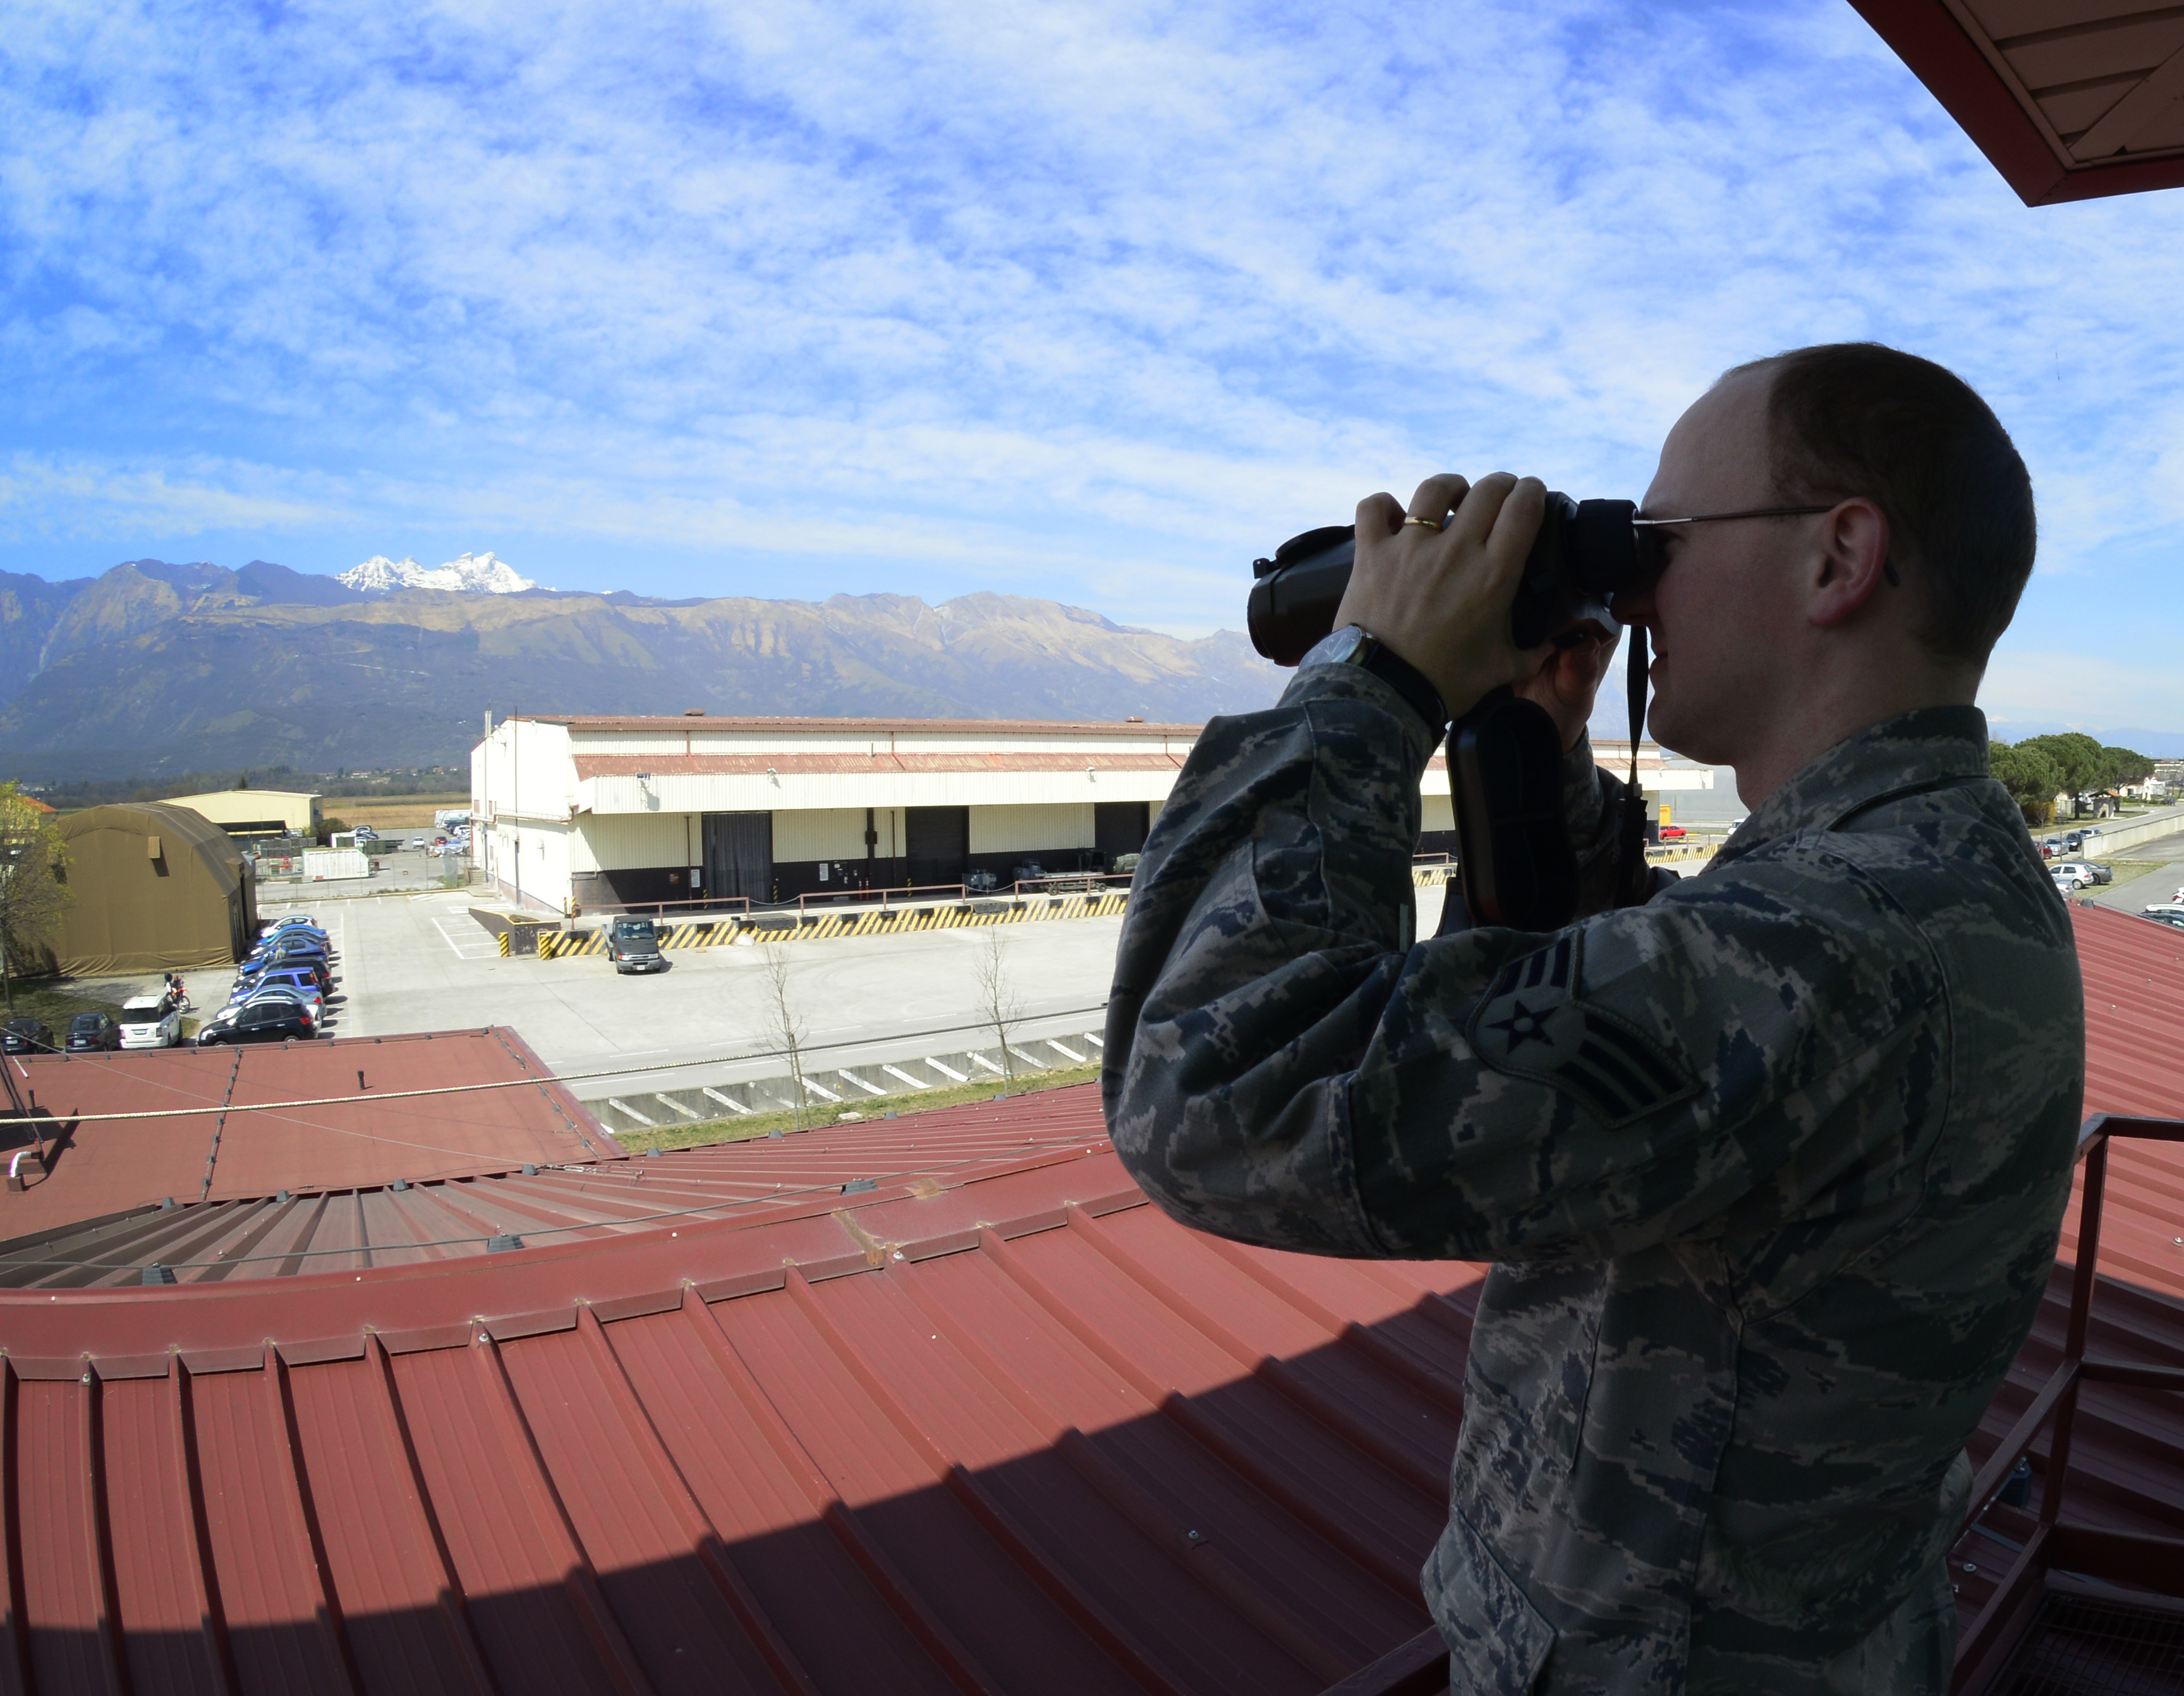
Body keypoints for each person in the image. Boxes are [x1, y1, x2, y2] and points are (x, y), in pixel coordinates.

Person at [1103, 342, 2083, 1695]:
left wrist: (1371, 677)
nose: (1632, 584)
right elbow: (1631, 1011)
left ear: (1836, 559)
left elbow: (1219, 1090)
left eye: (1662, 536)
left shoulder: (1841, 941)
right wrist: (1535, 752)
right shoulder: (1926, 874)